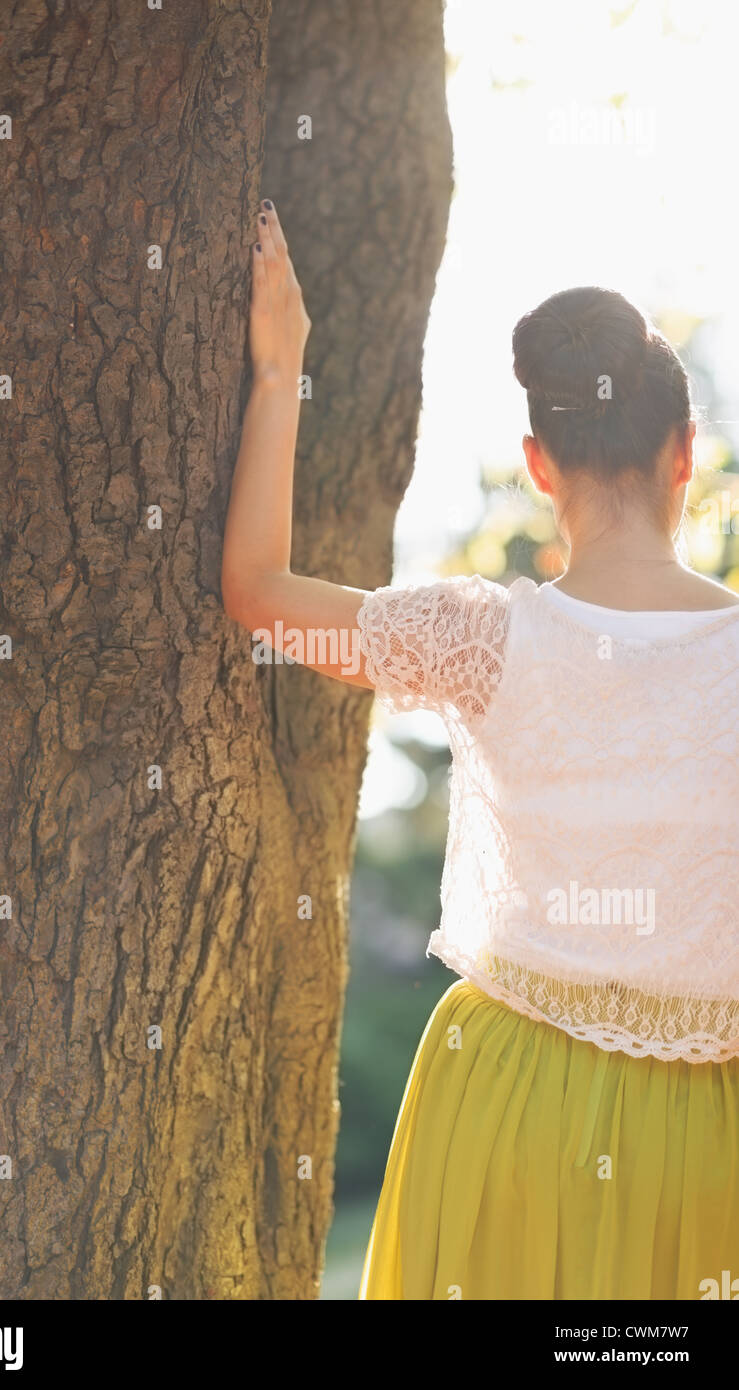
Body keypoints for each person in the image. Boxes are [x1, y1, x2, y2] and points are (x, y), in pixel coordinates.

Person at [221, 200, 739, 1300]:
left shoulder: (478, 637)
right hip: (708, 1132)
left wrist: (281, 368)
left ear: (538, 466)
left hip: (495, 1099)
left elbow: (259, 592)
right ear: (685, 453)